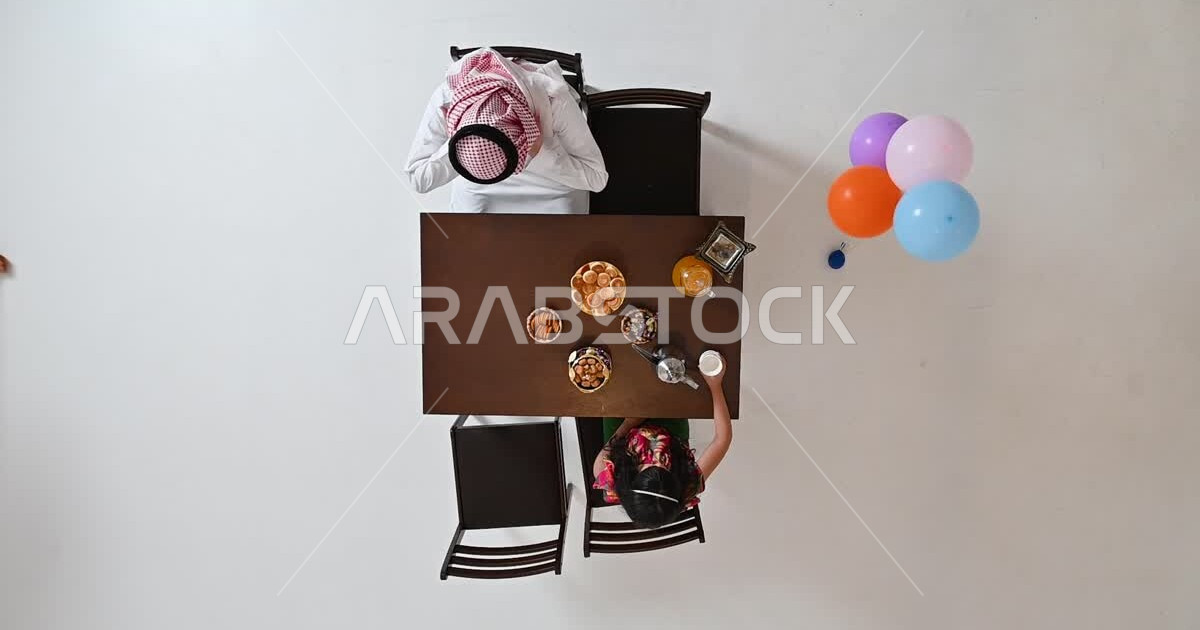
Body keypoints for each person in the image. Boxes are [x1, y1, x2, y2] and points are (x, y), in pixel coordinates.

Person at [403, 48, 608, 213]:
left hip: (553, 185)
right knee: (468, 243)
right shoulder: (449, 94)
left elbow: (597, 177)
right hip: (478, 189)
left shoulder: (551, 97)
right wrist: (464, 143)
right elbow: (418, 179)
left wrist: (539, 153)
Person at [592, 364, 733, 528]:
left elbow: (603, 459)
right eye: (664, 466)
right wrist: (715, 386)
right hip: (670, 428)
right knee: (672, 375)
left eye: (647, 466)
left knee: (618, 375)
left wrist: (630, 422)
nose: (657, 459)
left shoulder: (609, 477)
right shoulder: (688, 486)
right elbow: (722, 439)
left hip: (624, 429)